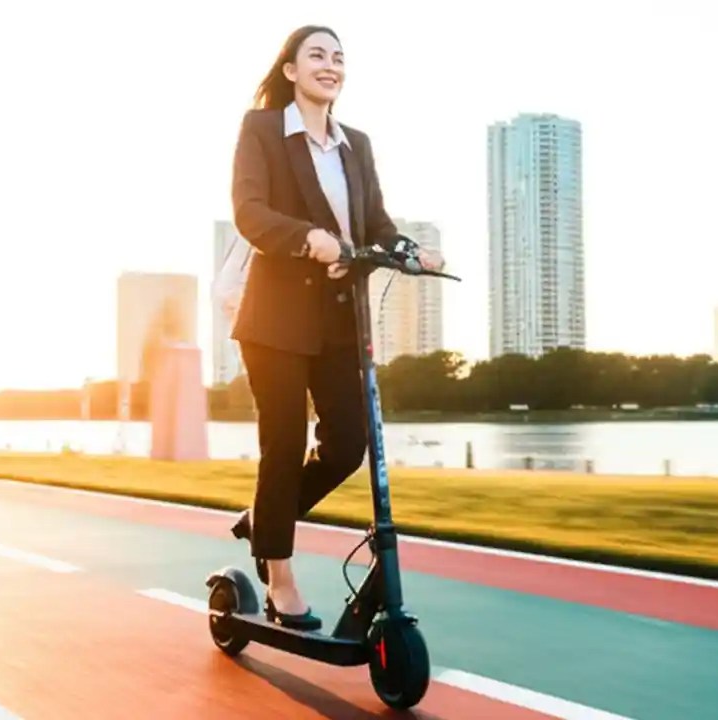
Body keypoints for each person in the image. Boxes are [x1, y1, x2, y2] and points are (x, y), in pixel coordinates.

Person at [226, 24, 444, 631]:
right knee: (283, 444)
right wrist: (308, 239)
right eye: (317, 55)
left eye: (338, 57)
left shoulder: (356, 145)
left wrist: (410, 251)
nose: (330, 65)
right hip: (275, 321)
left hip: (338, 321)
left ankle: (263, 520)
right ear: (291, 70)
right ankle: (280, 580)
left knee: (348, 444)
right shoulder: (263, 129)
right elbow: (249, 211)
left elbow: (375, 224)